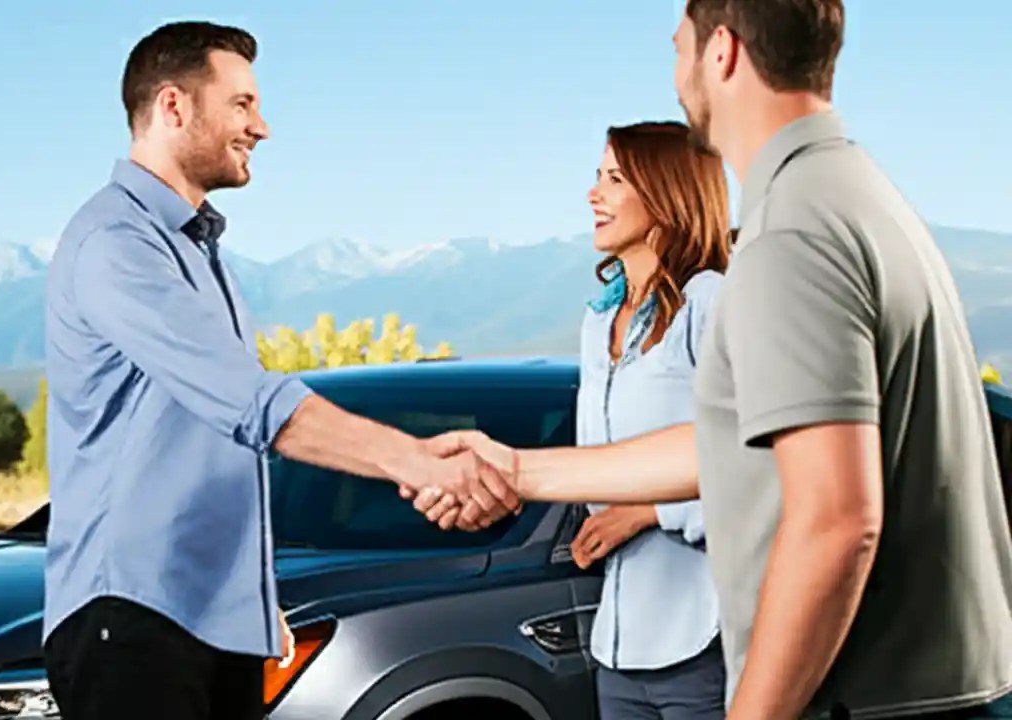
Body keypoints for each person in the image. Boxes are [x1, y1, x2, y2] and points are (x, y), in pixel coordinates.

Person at [416, 1, 1012, 718]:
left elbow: (837, 520)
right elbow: (727, 446)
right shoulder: (853, 198)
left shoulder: (794, 232)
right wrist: (516, 468)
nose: (674, 76)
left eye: (677, 50)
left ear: (721, 52)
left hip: (877, 698)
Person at [39, 21, 518, 720]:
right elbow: (254, 407)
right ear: (174, 107)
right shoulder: (118, 244)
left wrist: (252, 610)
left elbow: (215, 446)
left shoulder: (197, 248)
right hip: (134, 619)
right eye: (242, 104)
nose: (261, 127)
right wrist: (420, 462)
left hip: (209, 621)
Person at [571, 120, 731, 719]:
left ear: (666, 192)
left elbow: (761, 470)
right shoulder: (596, 323)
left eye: (614, 178)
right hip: (618, 648)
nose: (594, 193)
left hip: (705, 638)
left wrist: (647, 514)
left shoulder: (710, 305)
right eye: (597, 176)